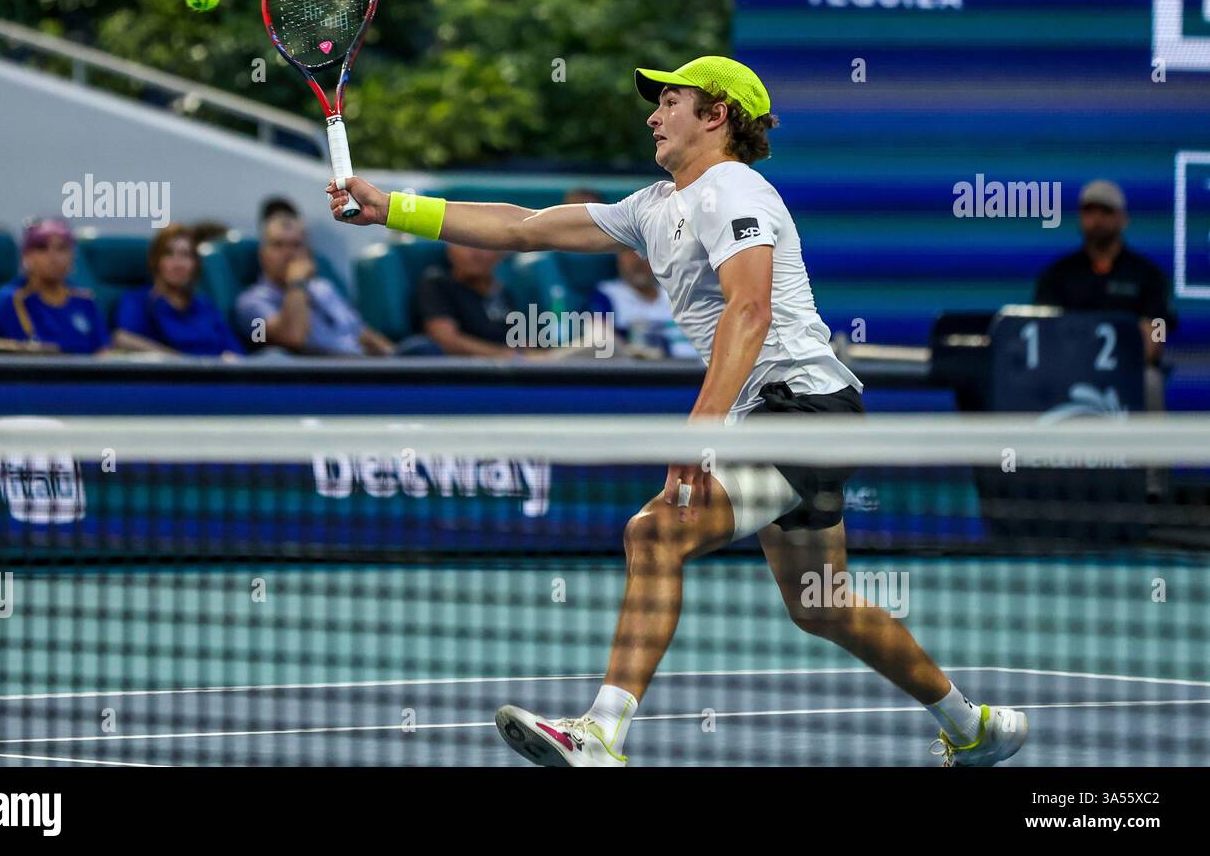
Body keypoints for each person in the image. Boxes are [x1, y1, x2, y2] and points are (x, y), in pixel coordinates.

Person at [328, 55, 1027, 768]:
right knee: (824, 604)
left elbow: (749, 310)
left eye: (670, 101)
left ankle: (600, 734)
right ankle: (974, 727)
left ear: (716, 115)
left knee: (656, 533)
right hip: (784, 418)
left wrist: (699, 433)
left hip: (804, 411)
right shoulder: (654, 207)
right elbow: (523, 228)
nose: (653, 115)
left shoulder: (732, 187)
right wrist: (391, 208)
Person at [1034, 179, 1177, 365]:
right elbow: (1042, 325)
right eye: (1089, 212)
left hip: (1131, 369)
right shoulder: (1058, 275)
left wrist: (1153, 345)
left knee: (1151, 382)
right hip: (1068, 369)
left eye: (1106, 212)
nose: (1097, 220)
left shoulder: (1147, 275)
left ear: (1123, 219)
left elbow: (1158, 324)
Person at [236, 210, 393, 356]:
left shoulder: (322, 288)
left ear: (307, 253)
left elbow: (360, 332)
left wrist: (394, 358)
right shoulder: (251, 303)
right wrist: (297, 283)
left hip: (360, 363)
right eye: (278, 245)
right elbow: (293, 338)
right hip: (320, 374)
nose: (289, 253)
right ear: (263, 255)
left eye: (296, 245)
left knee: (414, 349)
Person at [114, 226, 243, 358]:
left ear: (195, 264)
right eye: (169, 254)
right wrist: (180, 361)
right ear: (156, 260)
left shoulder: (204, 307)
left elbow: (234, 351)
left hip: (216, 375)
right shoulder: (138, 302)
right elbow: (124, 339)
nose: (178, 264)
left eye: (185, 255)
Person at [0, 218, 110, 354]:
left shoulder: (85, 300)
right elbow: (27, 352)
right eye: (42, 248)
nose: (53, 257)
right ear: (26, 256)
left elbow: (103, 350)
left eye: (62, 248)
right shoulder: (14, 299)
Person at [415, 244, 521, 358]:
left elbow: (517, 341)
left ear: (500, 254)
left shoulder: (502, 292)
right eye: (465, 245)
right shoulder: (437, 283)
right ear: (450, 250)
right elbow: (446, 341)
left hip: (508, 368)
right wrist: (504, 355)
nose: (476, 254)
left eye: (484, 245)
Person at [590, 250, 696, 359]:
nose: (639, 260)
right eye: (631, 253)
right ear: (619, 258)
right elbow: (599, 339)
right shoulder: (607, 294)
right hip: (644, 371)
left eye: (645, 252)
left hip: (697, 368)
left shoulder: (678, 295)